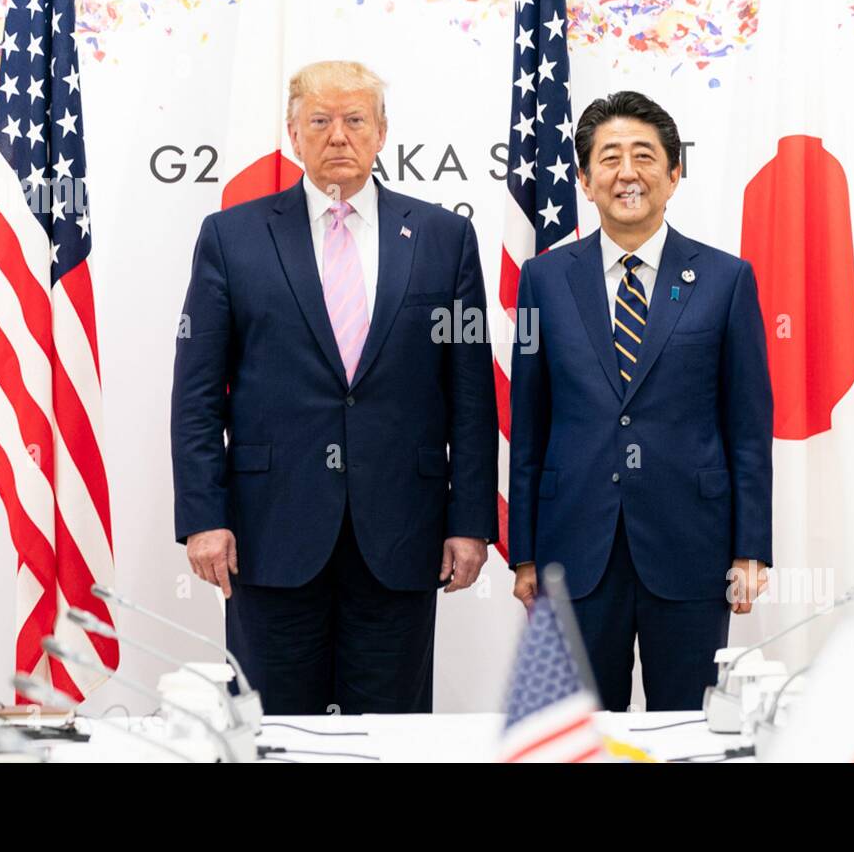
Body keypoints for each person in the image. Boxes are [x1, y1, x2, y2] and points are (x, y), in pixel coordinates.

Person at [171, 61, 497, 714]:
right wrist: (204, 518)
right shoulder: (232, 237)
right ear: (293, 133)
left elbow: (470, 394)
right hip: (270, 534)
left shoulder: (443, 238)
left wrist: (471, 523)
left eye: (354, 119)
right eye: (319, 120)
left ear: (382, 132)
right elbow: (198, 394)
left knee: (391, 734)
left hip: (402, 532)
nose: (338, 135)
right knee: (272, 733)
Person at [507, 90, 773, 710]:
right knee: (579, 733)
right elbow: (529, 425)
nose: (627, 173)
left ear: (674, 174)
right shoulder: (543, 280)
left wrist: (750, 547)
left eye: (645, 157)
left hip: (692, 546)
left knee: (688, 728)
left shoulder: (726, 279)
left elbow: (749, 427)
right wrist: (524, 552)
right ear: (585, 179)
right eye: (609, 158)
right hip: (573, 548)